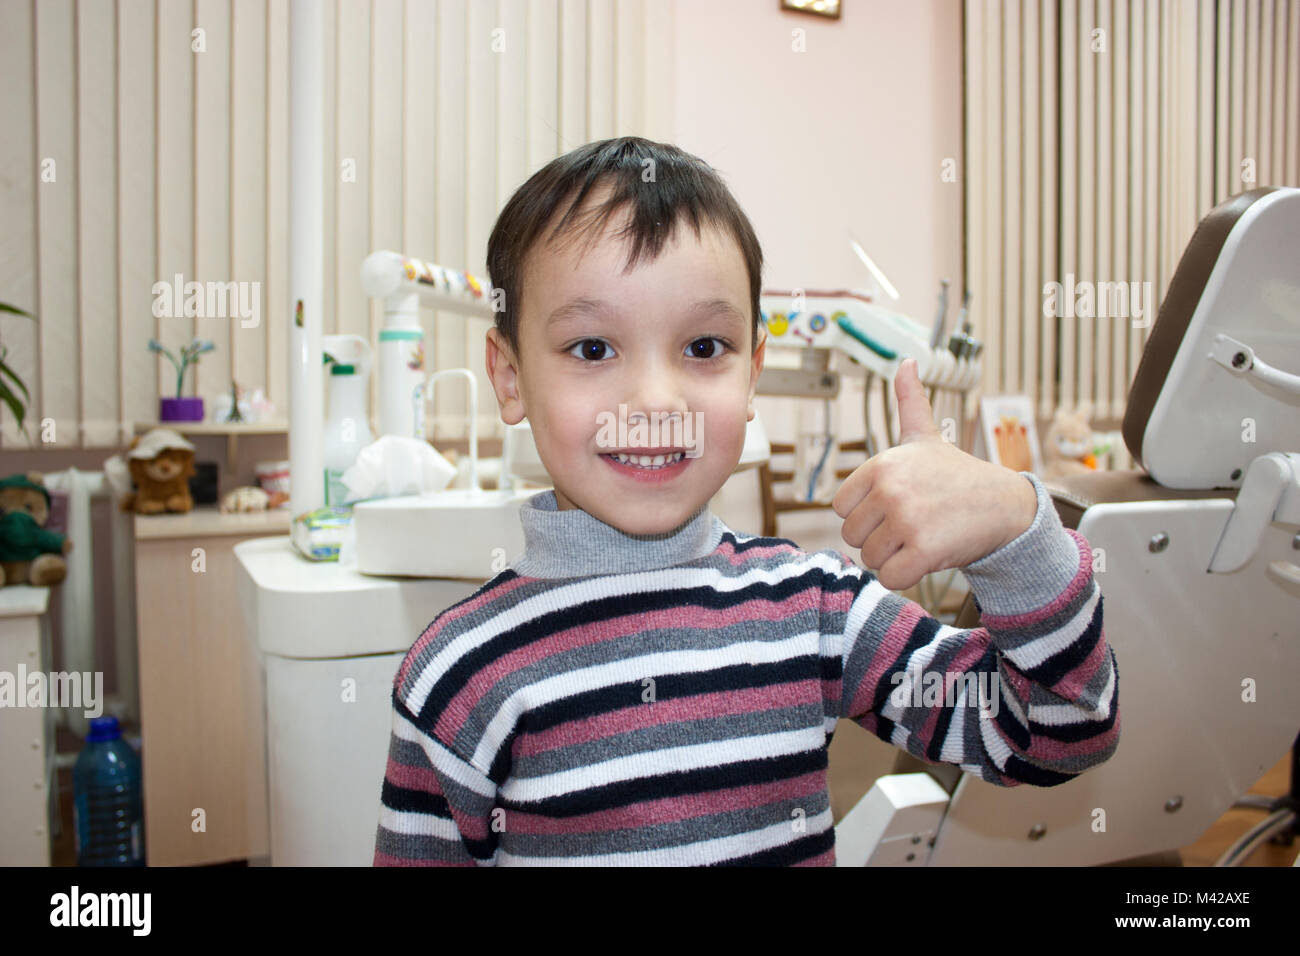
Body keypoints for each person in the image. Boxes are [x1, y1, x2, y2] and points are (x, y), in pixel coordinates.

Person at [373, 136, 1119, 866]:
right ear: (508, 378)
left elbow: (1057, 732)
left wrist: (1015, 531)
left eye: (703, 348)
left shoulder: (815, 611)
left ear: (752, 373)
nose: (656, 400)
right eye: (593, 349)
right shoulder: (458, 672)